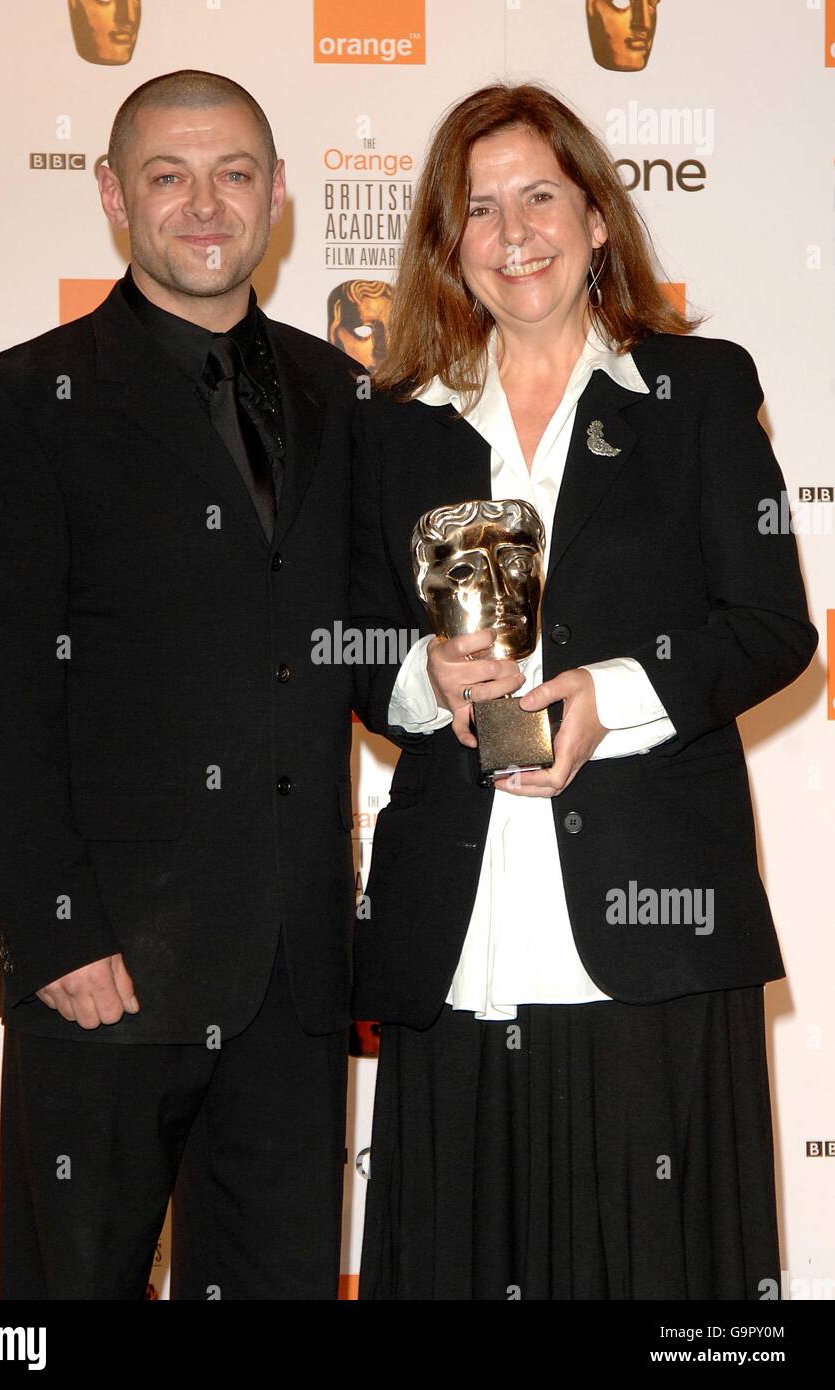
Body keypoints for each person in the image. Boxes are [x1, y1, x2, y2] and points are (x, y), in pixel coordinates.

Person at [350, 82, 817, 1300]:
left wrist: (614, 691)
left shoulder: (698, 390)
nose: (515, 233)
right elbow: (343, 650)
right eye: (479, 208)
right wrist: (421, 675)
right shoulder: (394, 429)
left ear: (598, 216)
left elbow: (774, 627)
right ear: (448, 246)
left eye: (540, 196)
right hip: (459, 931)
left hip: (654, 928)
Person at [0, 70, 360, 1300]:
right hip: (107, 969)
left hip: (292, 974)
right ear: (115, 195)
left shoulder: (343, 396)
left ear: (278, 196)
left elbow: (362, 639)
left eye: (234, 172)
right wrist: (54, 927)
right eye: (167, 176)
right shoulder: (22, 401)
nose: (204, 204)